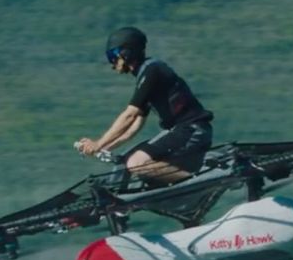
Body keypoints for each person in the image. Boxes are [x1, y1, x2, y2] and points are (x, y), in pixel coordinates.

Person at [76, 26, 214, 184]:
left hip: (191, 129)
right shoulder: (146, 73)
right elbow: (135, 125)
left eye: (113, 55)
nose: (112, 63)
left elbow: (130, 115)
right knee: (125, 163)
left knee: (136, 164)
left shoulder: (152, 71)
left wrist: (99, 143)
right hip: (180, 130)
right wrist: (104, 148)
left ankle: (202, 181)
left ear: (127, 52)